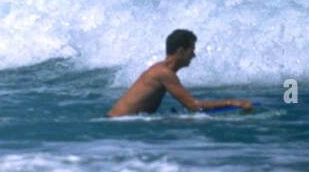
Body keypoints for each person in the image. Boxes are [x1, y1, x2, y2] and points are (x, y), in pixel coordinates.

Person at [106, 29, 252, 117]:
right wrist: (232, 102)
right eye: (191, 50)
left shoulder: (160, 69)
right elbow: (193, 106)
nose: (193, 55)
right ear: (181, 51)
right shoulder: (164, 73)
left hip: (117, 122)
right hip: (118, 124)